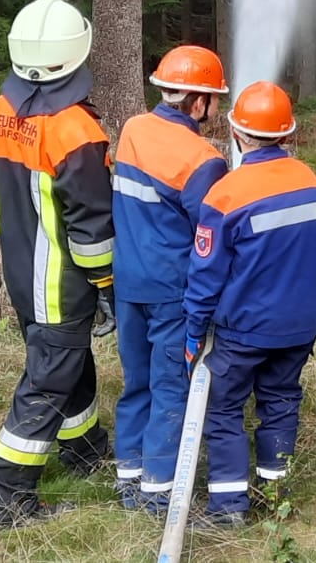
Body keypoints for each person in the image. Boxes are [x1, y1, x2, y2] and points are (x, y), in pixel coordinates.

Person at [0, 0, 115, 529]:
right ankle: (4, 494)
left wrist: (15, 248)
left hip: (21, 277)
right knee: (48, 381)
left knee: (68, 364)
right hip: (62, 284)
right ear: (78, 53)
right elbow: (92, 228)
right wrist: (107, 285)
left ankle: (83, 450)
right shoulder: (75, 130)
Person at [183, 81, 316, 527]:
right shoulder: (309, 181)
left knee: (224, 408)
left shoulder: (226, 193)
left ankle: (228, 508)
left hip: (245, 329)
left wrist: (193, 334)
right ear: (287, 133)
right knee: (281, 400)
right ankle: (276, 496)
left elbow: (205, 274)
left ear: (236, 133)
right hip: (300, 325)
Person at [111, 46, 231, 514]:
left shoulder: (133, 129)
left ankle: (128, 478)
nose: (216, 108)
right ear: (198, 102)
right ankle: (158, 494)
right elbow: (214, 236)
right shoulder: (203, 160)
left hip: (127, 282)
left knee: (136, 382)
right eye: (214, 99)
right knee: (170, 388)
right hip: (171, 292)